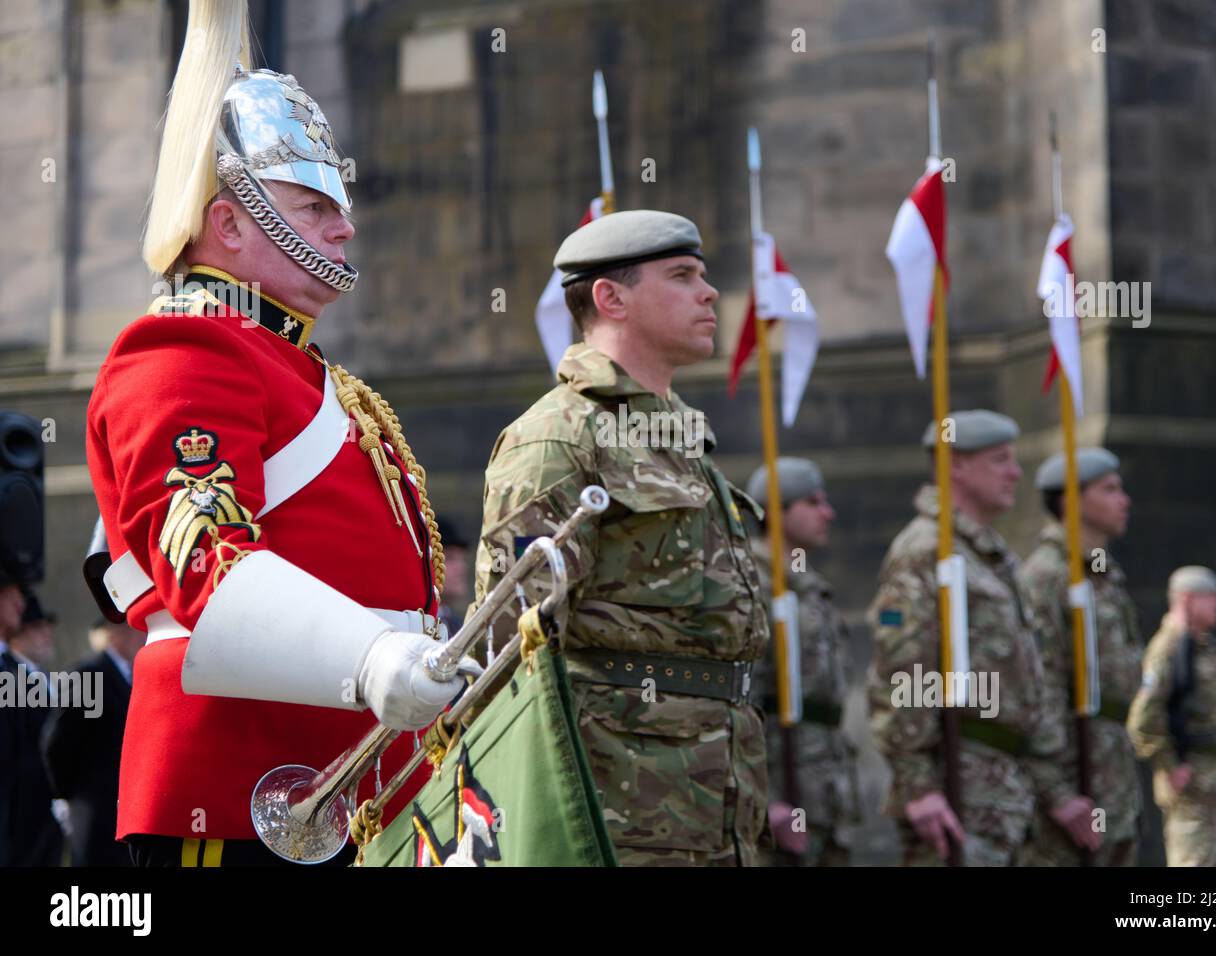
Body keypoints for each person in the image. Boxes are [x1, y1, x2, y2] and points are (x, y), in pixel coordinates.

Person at [84, 1, 469, 866]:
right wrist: (373, 657)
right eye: (313, 205)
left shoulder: (306, 371)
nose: (346, 226)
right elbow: (205, 563)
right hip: (243, 792)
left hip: (351, 782)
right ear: (231, 224)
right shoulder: (183, 348)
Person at [472, 209, 769, 866]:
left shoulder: (681, 437)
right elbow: (508, 650)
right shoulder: (557, 439)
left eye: (703, 275)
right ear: (611, 297)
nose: (709, 292)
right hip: (619, 805)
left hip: (719, 795)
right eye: (683, 275)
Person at [866, 410, 1098, 866]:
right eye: (1000, 460)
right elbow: (903, 667)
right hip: (958, 787)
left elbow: (1026, 682)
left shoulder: (992, 557)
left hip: (1006, 794)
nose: (1015, 472)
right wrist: (917, 785)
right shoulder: (925, 550)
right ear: (956, 466)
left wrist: (1052, 787)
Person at [1016, 448, 1144, 865]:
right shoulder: (1047, 577)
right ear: (1072, 501)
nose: (1124, 499)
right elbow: (1037, 690)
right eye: (1109, 489)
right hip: (1072, 774)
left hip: (1114, 773)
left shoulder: (1105, 576)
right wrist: (1058, 792)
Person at [746, 457, 862, 866]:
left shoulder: (807, 585)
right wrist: (766, 799)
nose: (827, 512)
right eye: (812, 502)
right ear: (777, 511)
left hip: (825, 790)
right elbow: (744, 701)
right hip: (784, 786)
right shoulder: (752, 586)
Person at [1127, 566, 1216, 866]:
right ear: (1188, 599)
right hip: (1194, 787)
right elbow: (1144, 719)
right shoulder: (1169, 649)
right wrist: (1169, 764)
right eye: (1210, 597)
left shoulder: (1202, 646)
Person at [41, 619, 146, 866]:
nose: (141, 637)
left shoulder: (130, 675)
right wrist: (67, 794)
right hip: (93, 806)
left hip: (121, 807)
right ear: (115, 634)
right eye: (134, 631)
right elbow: (58, 741)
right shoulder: (90, 674)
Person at [0, 590, 64, 865]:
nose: (46, 634)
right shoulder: (11, 676)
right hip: (21, 814)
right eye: (36, 628)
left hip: (46, 814)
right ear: (16, 635)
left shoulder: (47, 679)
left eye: (46, 627)